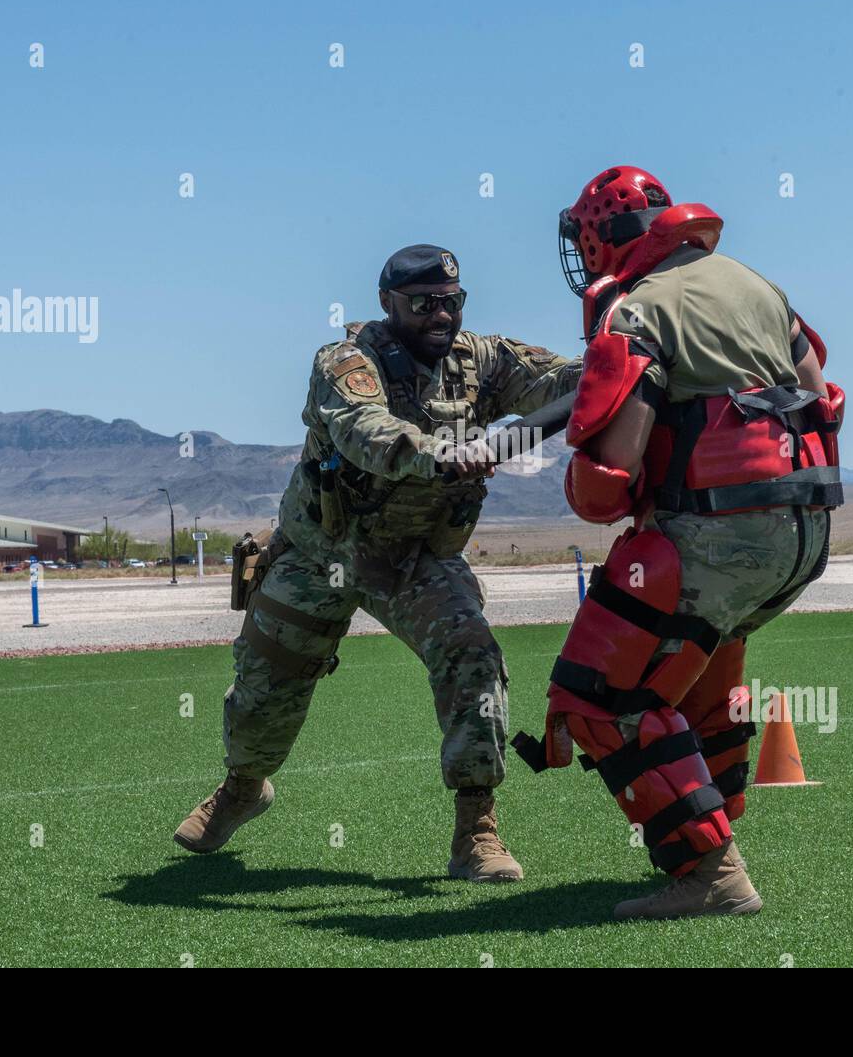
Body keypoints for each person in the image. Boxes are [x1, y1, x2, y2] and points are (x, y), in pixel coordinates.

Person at [175, 244, 579, 882]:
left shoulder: (485, 359)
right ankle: (243, 788)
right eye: (424, 305)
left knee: (472, 658)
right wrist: (445, 454)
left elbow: (569, 384)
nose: (441, 315)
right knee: (265, 691)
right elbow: (367, 433)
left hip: (412, 560)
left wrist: (625, 360)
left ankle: (476, 827)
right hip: (321, 553)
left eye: (452, 302)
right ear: (389, 304)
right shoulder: (345, 363)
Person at [513, 166, 845, 918]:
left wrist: (592, 484)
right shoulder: (758, 286)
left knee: (597, 694)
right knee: (694, 671)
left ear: (605, 236)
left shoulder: (638, 309)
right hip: (806, 532)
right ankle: (715, 826)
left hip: (715, 530)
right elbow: (822, 398)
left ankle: (711, 871)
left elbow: (610, 474)